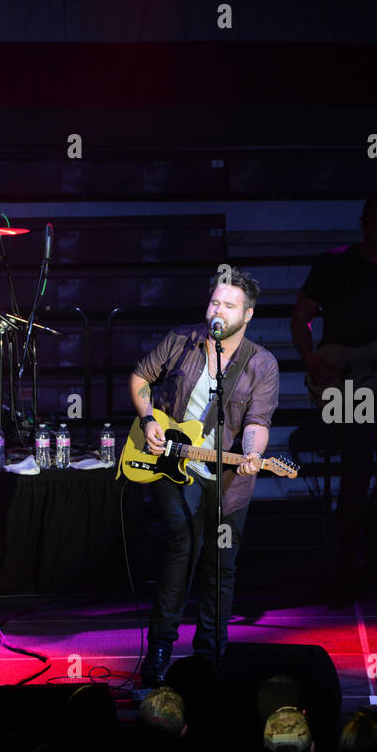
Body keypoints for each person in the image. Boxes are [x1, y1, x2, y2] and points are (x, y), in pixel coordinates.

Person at [128, 268, 279, 684]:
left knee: (220, 565)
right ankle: (159, 650)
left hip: (226, 481)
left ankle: (209, 657)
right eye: (215, 302)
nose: (218, 310)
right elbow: (141, 377)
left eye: (229, 305)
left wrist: (252, 453)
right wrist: (147, 421)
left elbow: (258, 421)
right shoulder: (181, 342)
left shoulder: (261, 364)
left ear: (246, 315)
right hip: (171, 463)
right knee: (184, 542)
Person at [291, 191, 377, 593]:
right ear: (363, 222)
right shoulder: (334, 264)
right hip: (344, 386)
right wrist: (310, 358)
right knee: (354, 475)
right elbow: (300, 317)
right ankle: (345, 565)